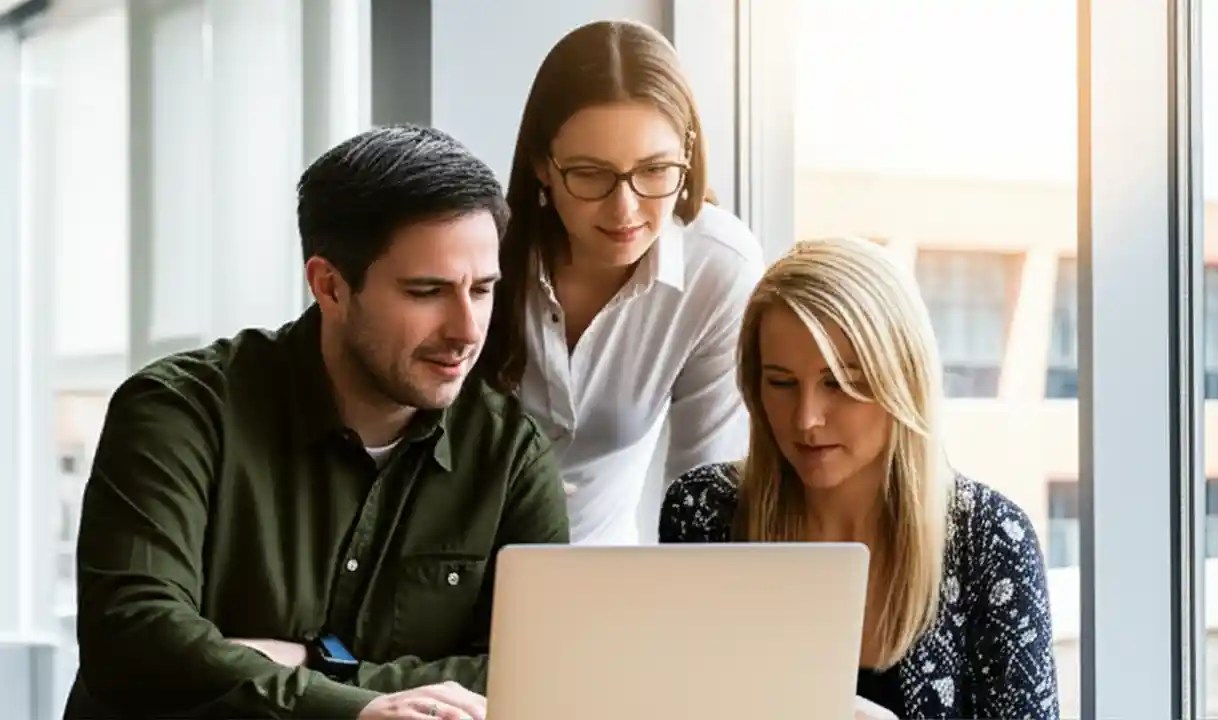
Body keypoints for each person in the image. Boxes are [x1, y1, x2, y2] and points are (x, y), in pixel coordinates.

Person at [66, 126, 569, 720]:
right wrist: (352, 712)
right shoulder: (178, 413)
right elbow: (134, 638)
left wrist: (320, 669)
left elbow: (540, 668)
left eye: (482, 290)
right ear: (330, 286)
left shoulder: (509, 454)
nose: (466, 330)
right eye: (427, 291)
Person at [659, 238, 1061, 720]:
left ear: (902, 380)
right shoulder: (705, 511)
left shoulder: (990, 539)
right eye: (781, 383)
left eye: (841, 384)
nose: (806, 418)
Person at [477, 19, 765, 545]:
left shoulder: (719, 267)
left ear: (688, 151)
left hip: (606, 581)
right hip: (452, 584)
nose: (624, 209)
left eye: (655, 171)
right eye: (590, 173)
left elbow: (708, 495)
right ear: (543, 165)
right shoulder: (482, 252)